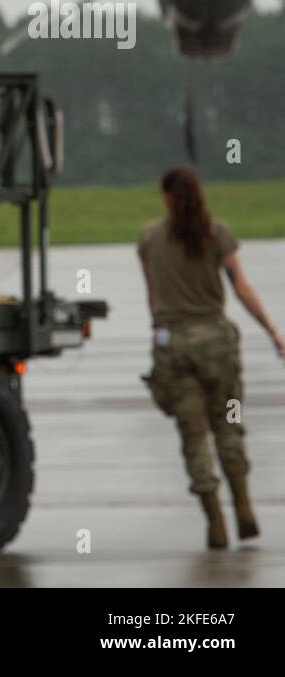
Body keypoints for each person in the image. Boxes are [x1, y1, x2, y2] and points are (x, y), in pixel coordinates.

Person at [138, 166, 285, 549]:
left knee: (195, 436)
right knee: (230, 423)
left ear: (166, 197)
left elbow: (153, 299)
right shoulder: (217, 233)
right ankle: (244, 506)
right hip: (220, 351)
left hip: (176, 352)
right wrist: (272, 330)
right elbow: (241, 286)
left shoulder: (150, 239)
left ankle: (215, 520)